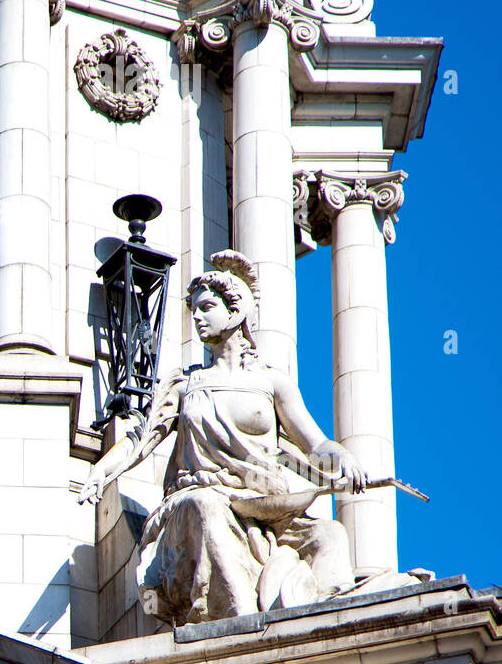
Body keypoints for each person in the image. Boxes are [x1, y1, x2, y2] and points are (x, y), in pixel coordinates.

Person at [80, 251, 367, 626]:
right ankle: (244, 627)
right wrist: (102, 471)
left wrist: (342, 456)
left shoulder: (271, 383)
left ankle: (328, 626)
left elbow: (316, 444)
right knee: (208, 507)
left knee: (329, 534)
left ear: (235, 313)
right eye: (194, 309)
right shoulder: (185, 385)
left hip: (265, 506)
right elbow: (139, 440)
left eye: (206, 308)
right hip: (196, 502)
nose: (196, 318)